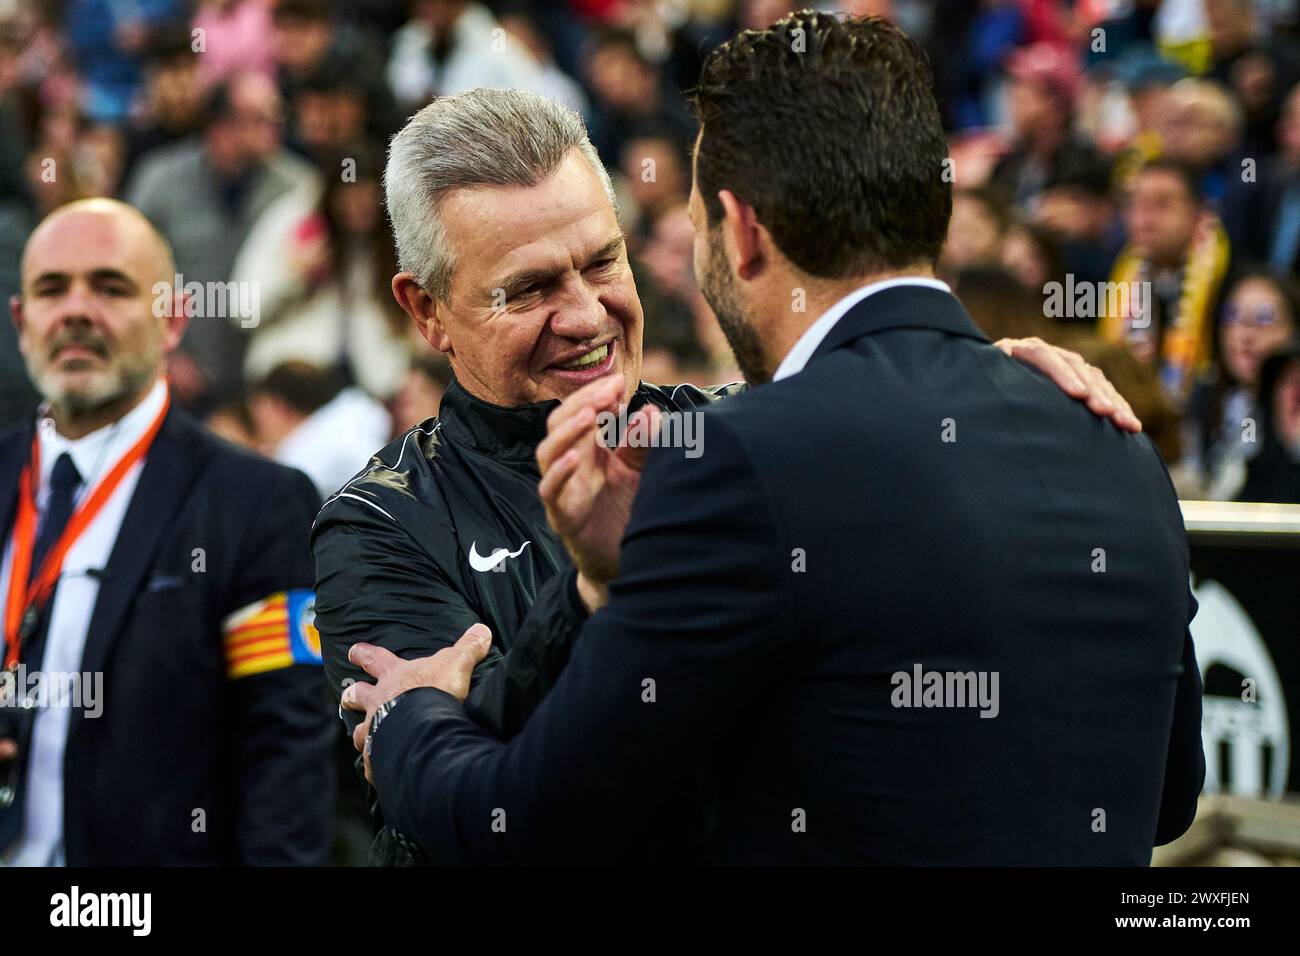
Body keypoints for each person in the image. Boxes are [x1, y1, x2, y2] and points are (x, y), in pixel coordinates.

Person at [344, 12, 1203, 866]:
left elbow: (526, 818)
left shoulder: (731, 461)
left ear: (740, 230)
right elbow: (1168, 794)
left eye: (606, 261)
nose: (584, 313)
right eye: (529, 288)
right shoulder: (1107, 434)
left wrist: (409, 718)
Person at [0, 198, 333, 865]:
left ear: (174, 317)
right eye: (51, 289)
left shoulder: (256, 504)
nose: (76, 311)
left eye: (111, 287)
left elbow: (286, 759)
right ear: (21, 319)